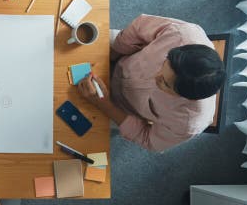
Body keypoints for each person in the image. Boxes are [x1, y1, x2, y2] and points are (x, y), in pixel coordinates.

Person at [77, 14, 226, 152]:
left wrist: (105, 105)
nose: (155, 76)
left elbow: (147, 139)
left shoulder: (188, 123)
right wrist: (112, 54)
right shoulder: (183, 34)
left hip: (119, 109)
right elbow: (138, 27)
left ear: (187, 99)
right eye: (164, 64)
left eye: (165, 84)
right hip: (123, 49)